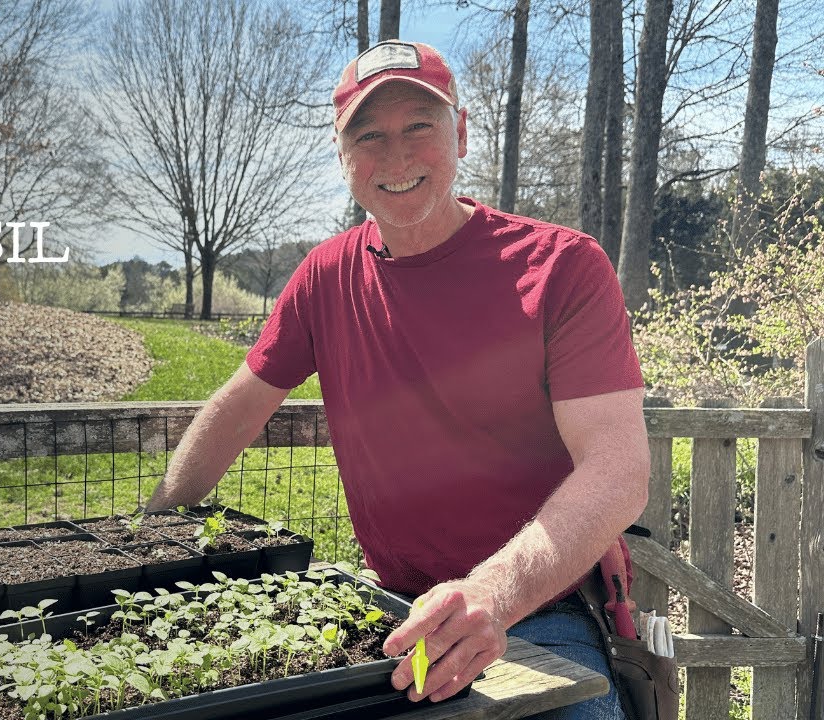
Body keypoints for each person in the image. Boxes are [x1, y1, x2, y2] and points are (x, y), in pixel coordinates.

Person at [144, 40, 649, 719]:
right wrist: (149, 533)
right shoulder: (325, 277)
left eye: (420, 125)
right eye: (369, 136)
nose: (397, 156)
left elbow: (618, 470)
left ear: (462, 132)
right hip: (390, 610)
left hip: (536, 607)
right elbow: (239, 408)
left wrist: (490, 596)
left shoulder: (561, 268)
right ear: (343, 157)